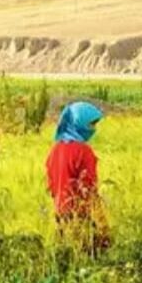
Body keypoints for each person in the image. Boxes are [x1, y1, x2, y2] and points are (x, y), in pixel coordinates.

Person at [45, 102, 110, 254]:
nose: (93, 129)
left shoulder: (55, 150)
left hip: (60, 214)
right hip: (80, 216)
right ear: (79, 123)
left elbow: (51, 186)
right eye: (91, 125)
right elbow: (89, 190)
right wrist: (103, 225)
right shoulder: (83, 151)